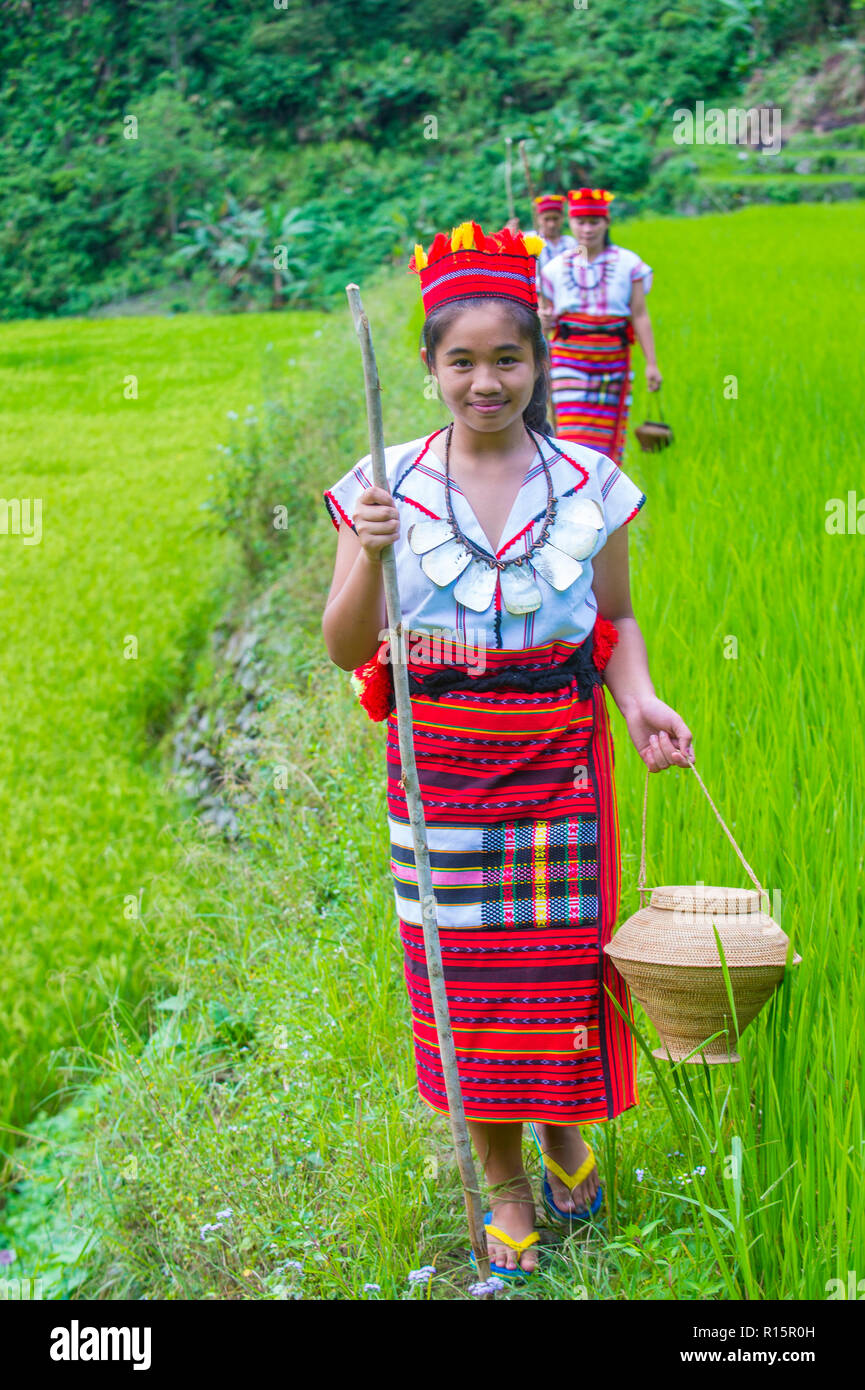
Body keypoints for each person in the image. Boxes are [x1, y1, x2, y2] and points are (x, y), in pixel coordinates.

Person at [321, 221, 693, 1279]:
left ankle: (565, 1132)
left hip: (557, 763)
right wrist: (369, 556)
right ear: (430, 368)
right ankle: (503, 1182)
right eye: (462, 362)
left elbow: (611, 621)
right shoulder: (384, 483)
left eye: (508, 359)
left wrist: (641, 701)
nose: (487, 382)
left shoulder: (589, 481)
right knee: (466, 984)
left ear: (538, 362)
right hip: (440, 770)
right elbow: (345, 644)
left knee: (559, 971)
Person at [539, 187, 661, 464]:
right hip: (568, 359)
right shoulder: (553, 269)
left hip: (613, 362)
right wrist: (543, 319)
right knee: (570, 432)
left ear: (606, 223)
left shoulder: (630, 264)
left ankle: (601, 495)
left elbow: (640, 315)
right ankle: (573, 492)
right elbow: (544, 320)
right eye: (580, 222)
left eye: (594, 222)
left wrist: (652, 363)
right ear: (571, 223)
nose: (587, 229)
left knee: (606, 436)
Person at [533, 193, 577, 280]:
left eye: (555, 219)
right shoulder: (529, 240)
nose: (551, 224)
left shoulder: (571, 243)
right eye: (546, 219)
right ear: (538, 218)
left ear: (562, 218)